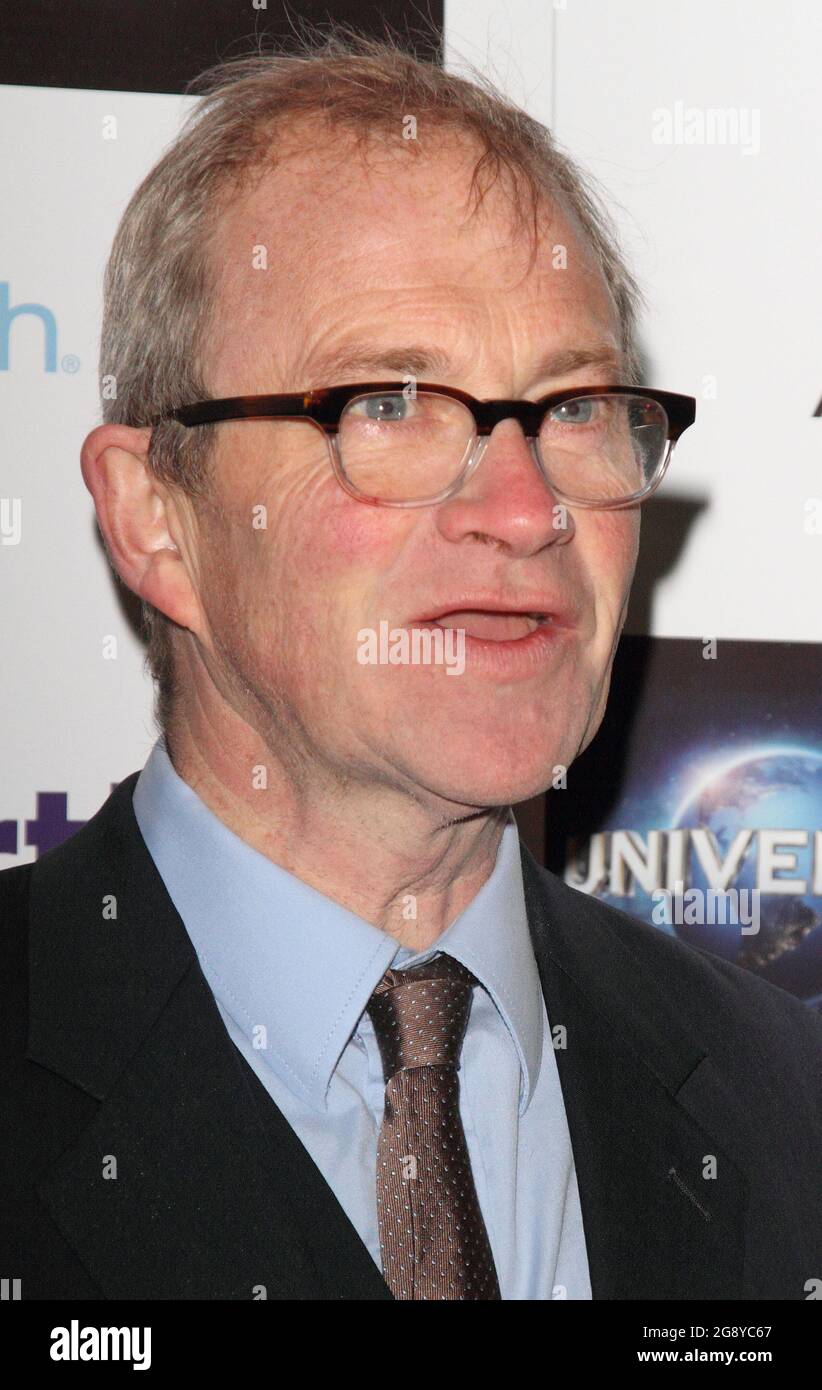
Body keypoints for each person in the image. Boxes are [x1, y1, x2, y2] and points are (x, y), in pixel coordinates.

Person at [1, 32, 819, 1302]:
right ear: (159, 514)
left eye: (576, 407)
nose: (525, 505)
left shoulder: (785, 1100)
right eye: (391, 400)